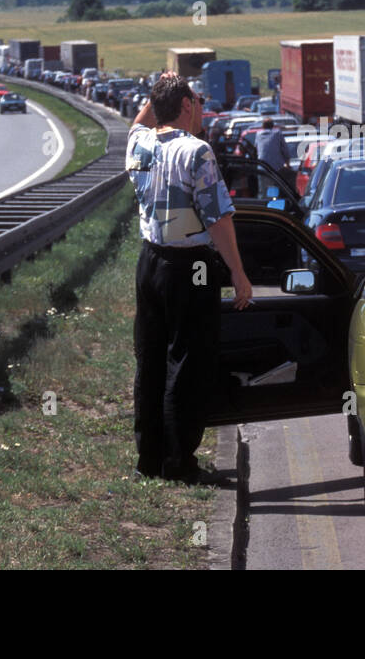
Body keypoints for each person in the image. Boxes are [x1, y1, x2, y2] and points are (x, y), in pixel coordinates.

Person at [126, 74, 253, 483]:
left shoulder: (139, 144)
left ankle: (150, 457)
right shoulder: (196, 152)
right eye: (196, 99)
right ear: (184, 105)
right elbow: (218, 218)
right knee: (188, 361)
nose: (201, 107)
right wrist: (238, 272)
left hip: (149, 262)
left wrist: (155, 95)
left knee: (150, 358)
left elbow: (138, 124)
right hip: (190, 266)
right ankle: (181, 461)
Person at [255, 118, 296, 192]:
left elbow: (256, 149)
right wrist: (287, 163)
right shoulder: (277, 134)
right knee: (277, 188)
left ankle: (263, 200)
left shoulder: (258, 135)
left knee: (263, 190)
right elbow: (285, 150)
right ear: (273, 126)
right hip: (276, 167)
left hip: (262, 167)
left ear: (263, 126)